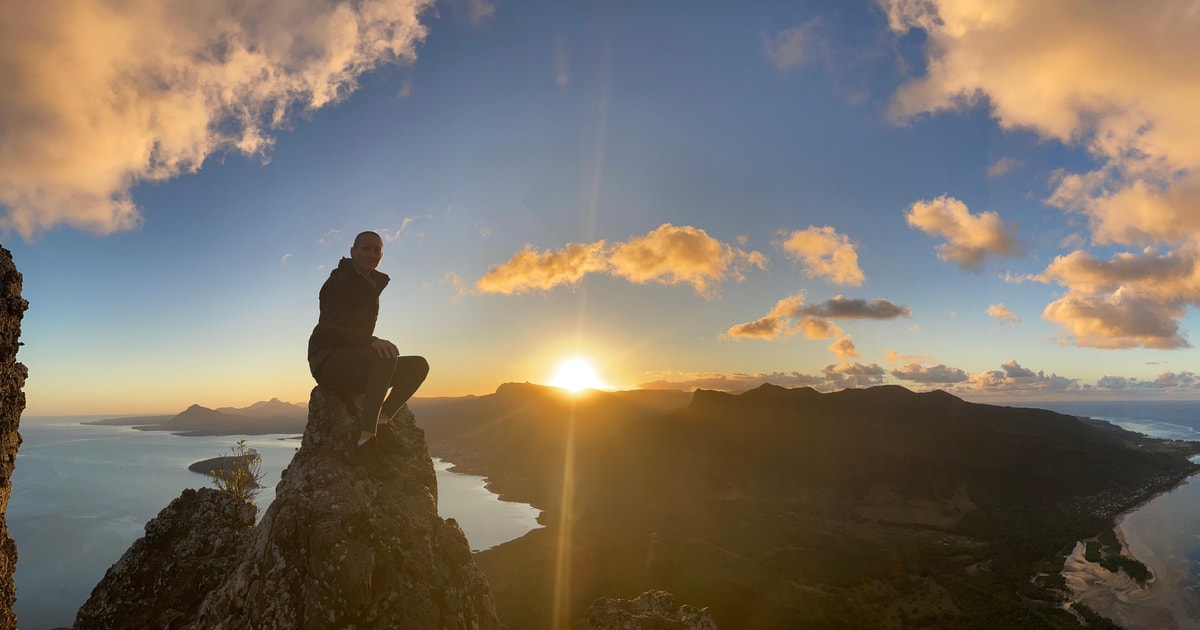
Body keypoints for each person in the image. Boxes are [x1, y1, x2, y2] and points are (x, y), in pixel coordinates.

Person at [308, 230, 429, 448]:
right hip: (326, 360)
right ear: (353, 251)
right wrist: (372, 341)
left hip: (351, 362)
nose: (372, 254)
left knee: (419, 366)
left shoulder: (370, 283)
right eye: (366, 248)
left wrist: (371, 342)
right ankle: (367, 439)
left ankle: (383, 421)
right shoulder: (338, 282)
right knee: (383, 355)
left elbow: (359, 335)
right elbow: (330, 328)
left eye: (377, 250)